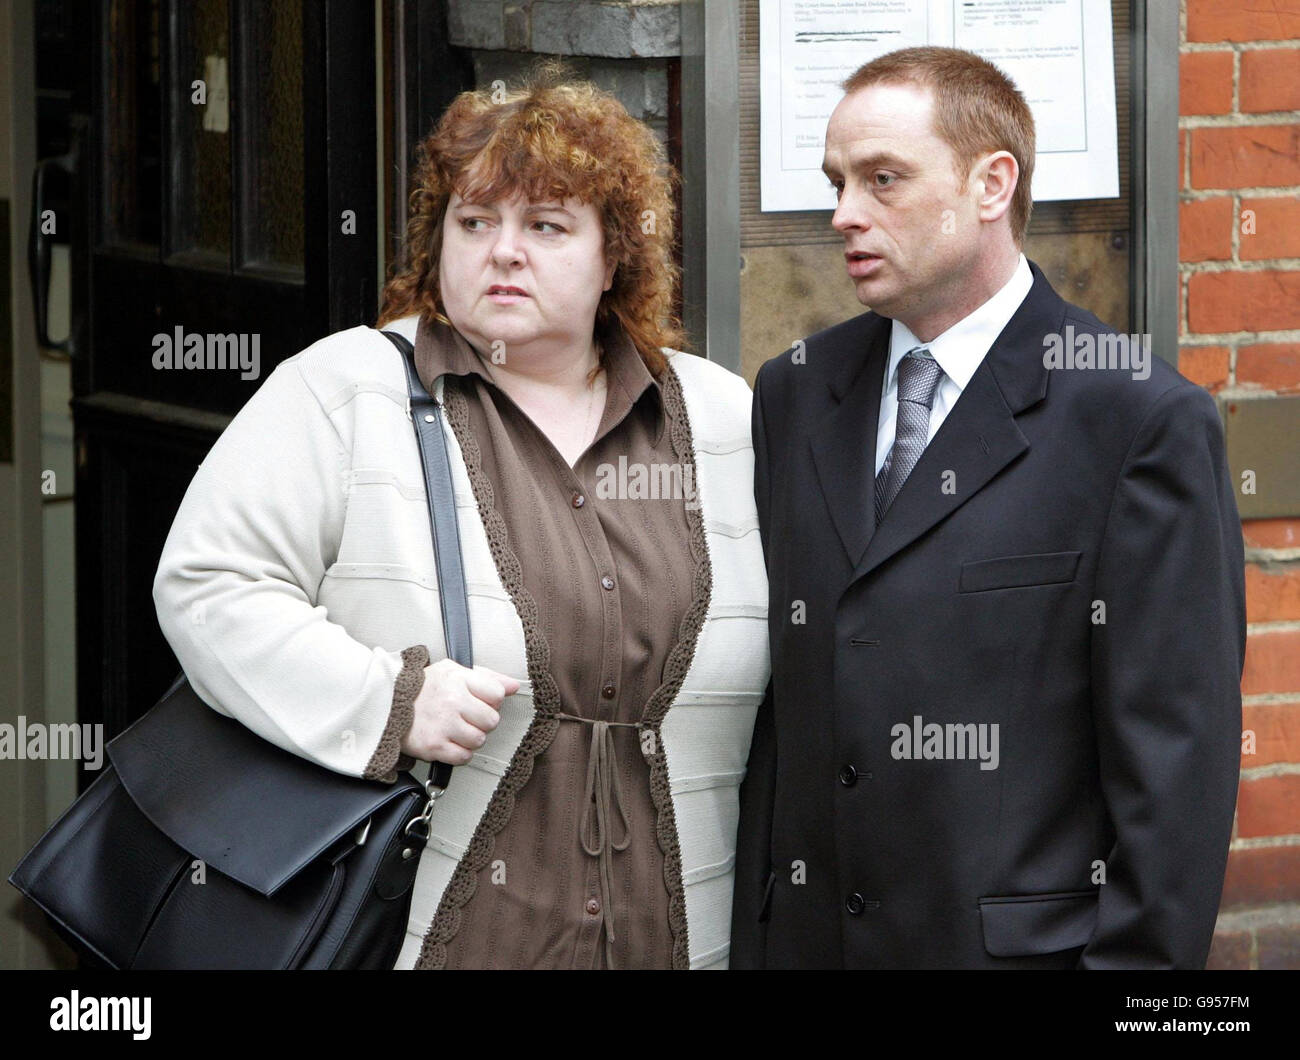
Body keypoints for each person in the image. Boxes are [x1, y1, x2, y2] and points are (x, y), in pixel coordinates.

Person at [153, 64, 769, 970]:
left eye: (546, 226)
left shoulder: (722, 419)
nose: (503, 250)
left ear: (614, 257)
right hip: (433, 934)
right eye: (474, 222)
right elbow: (209, 585)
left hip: (678, 937)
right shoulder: (346, 390)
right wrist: (386, 702)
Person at [730, 46, 1245, 969]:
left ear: (990, 184)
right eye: (838, 181)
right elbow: (788, 712)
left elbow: (1177, 775)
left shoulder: (1137, 419)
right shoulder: (796, 393)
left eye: (883, 178)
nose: (845, 213)